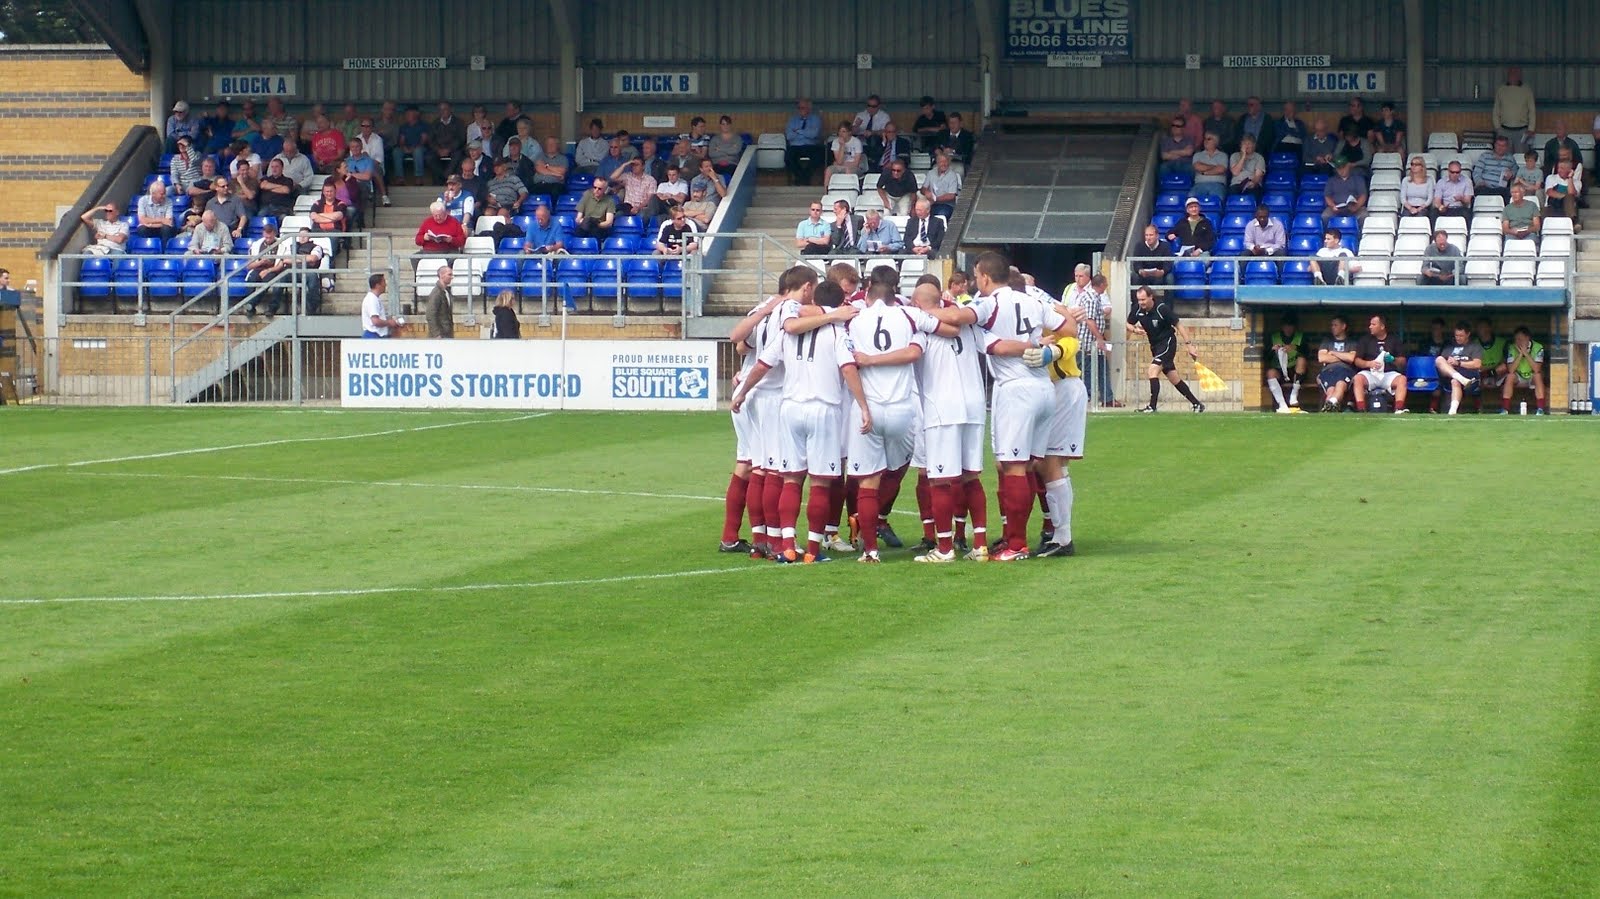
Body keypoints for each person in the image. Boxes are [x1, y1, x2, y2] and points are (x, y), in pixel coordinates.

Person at [927, 251, 1068, 561]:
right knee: (1025, 467)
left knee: (1013, 467)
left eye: (977, 276)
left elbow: (960, 319)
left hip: (1016, 391)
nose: (976, 282)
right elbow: (1069, 325)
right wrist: (1049, 345)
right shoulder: (1032, 300)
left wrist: (920, 312)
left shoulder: (989, 304)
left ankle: (1017, 544)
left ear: (986, 277)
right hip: (1044, 388)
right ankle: (1014, 537)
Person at [728, 269, 867, 564]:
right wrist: (864, 406)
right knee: (818, 481)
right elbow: (848, 368)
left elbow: (754, 357)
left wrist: (741, 391)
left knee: (782, 475)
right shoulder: (834, 330)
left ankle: (782, 543)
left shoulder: (776, 318)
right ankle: (810, 549)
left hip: (787, 406)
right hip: (816, 408)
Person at [845, 279, 933, 563]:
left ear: (868, 297)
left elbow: (848, 364)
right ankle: (881, 517)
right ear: (895, 297)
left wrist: (869, 360)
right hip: (901, 409)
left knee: (868, 481)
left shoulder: (853, 318)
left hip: (867, 409)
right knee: (899, 469)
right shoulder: (910, 317)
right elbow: (918, 349)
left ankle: (870, 549)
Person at [906, 280, 989, 560]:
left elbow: (912, 353)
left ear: (917, 304)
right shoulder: (967, 324)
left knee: (940, 480)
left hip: (942, 407)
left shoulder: (921, 328)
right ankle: (980, 545)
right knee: (970, 477)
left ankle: (943, 549)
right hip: (974, 405)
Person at [1125, 284, 1204, 414]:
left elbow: (1179, 325)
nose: (1141, 302)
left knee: (1152, 371)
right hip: (1155, 346)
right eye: (1139, 300)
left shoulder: (1162, 309)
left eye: (1143, 299)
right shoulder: (1137, 309)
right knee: (1174, 378)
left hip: (1167, 343)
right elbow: (1128, 323)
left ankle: (1152, 406)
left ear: (1151, 297)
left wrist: (1189, 345)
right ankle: (1197, 404)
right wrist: (1134, 330)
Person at [1352, 314, 1410, 413]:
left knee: (1402, 379)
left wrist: (1393, 359)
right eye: (1370, 324)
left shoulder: (1394, 340)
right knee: (1358, 378)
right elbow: (1357, 361)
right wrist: (1368, 364)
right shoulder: (1365, 340)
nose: (1370, 327)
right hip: (1370, 373)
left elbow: (1403, 361)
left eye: (1373, 324)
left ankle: (1399, 408)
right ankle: (1361, 408)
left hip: (1388, 374)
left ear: (1382, 326)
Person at [1435, 321, 1483, 414]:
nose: (1458, 338)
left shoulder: (1474, 346)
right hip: (1450, 375)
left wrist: (1459, 363)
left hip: (1469, 377)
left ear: (1468, 334)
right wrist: (1449, 363)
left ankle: (1453, 410)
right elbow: (1443, 364)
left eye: (1461, 336)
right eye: (1456, 335)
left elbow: (1477, 364)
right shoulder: (1449, 346)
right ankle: (1461, 379)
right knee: (1439, 359)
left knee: (1455, 381)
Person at [1499, 326, 1547, 414]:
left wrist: (1526, 353)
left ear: (1527, 338)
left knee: (1538, 375)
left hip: (1532, 376)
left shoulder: (1538, 347)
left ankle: (1540, 409)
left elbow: (1536, 369)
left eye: (1520, 339)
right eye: (1516, 339)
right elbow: (1511, 370)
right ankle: (1505, 409)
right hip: (1518, 377)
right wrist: (1521, 354)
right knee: (1510, 376)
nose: (1518, 342)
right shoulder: (1512, 347)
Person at [1316, 315, 1359, 413]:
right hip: (1328, 370)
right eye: (1332, 325)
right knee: (1330, 390)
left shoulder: (1351, 342)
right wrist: (1343, 357)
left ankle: (1329, 407)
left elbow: (1351, 358)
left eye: (1335, 325)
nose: (1332, 327)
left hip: (1345, 370)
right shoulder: (1327, 341)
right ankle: (1331, 406)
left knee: (1340, 384)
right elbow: (1322, 358)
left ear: (1343, 326)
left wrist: (1333, 353)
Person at [1264, 313, 1306, 412]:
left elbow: (1307, 353)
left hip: (1295, 372)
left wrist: (1295, 347)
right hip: (1279, 370)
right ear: (1282, 326)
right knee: (1270, 373)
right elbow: (1265, 357)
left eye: (1291, 326)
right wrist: (1272, 350)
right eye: (1286, 325)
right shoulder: (1274, 337)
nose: (1288, 328)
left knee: (1301, 360)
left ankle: (1293, 396)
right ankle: (1282, 405)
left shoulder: (1300, 336)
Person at [1493, 66, 1536, 154]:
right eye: (1511, 73)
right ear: (1508, 75)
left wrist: (1531, 128)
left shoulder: (1527, 90)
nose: (1513, 75)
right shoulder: (1501, 90)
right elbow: (1496, 110)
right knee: (1505, 156)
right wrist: (1497, 127)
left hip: (1522, 131)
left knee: (1521, 156)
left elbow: (1532, 111)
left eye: (1515, 73)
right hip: (1504, 130)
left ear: (1519, 75)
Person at [784, 98, 824, 186]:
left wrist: (798, 131)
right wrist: (806, 132)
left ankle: (802, 178)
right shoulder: (792, 120)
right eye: (799, 108)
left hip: (811, 145)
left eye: (803, 108)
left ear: (809, 108)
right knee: (788, 158)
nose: (800, 110)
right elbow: (789, 136)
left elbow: (814, 134)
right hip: (795, 146)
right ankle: (803, 178)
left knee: (819, 156)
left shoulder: (816, 119)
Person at [1475, 319, 1510, 404]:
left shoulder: (1502, 342)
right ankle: (1478, 408)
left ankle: (1504, 407)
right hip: (1481, 374)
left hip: (1497, 373)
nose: (1482, 329)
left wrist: (1492, 371)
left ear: (1490, 328)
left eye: (1484, 327)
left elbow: (1507, 362)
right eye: (1479, 327)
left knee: (1506, 371)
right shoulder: (1474, 343)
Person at [1473, 136, 1519, 201]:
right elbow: (1476, 172)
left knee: (1509, 193)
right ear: (1494, 145)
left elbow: (1517, 171)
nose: (1500, 148)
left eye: (1503, 146)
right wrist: (1480, 182)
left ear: (1507, 147)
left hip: (1501, 189)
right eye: (1498, 145)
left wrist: (1512, 174)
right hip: (1485, 187)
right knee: (1480, 191)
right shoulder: (1485, 156)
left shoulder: (1510, 158)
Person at [1323, 157, 1368, 221]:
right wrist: (1332, 206)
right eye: (1339, 169)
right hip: (1336, 207)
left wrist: (1356, 206)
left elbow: (1363, 195)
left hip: (1354, 207)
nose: (1341, 170)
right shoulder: (1331, 180)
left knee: (1364, 216)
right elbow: (1327, 196)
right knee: (1325, 216)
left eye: (1343, 167)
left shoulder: (1358, 179)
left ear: (1348, 166)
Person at [361, 273, 400, 338]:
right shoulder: (372, 299)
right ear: (377, 285)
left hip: (375, 335)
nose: (385, 285)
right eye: (383, 282)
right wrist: (390, 323)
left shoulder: (374, 298)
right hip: (373, 336)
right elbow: (375, 321)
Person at [1190, 132, 1228, 199]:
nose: (1205, 141)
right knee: (1191, 197)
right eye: (1205, 139)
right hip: (1199, 185)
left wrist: (1204, 172)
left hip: (1217, 185)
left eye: (1209, 139)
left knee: (1217, 198)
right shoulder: (1197, 155)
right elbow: (1198, 167)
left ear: (1216, 142)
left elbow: (1221, 169)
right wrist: (1215, 167)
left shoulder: (1223, 155)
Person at [426, 264, 454, 338]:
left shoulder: (446, 291)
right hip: (440, 335)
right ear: (441, 275)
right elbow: (430, 315)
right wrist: (436, 334)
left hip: (446, 333)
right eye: (449, 274)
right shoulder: (436, 293)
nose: (452, 277)